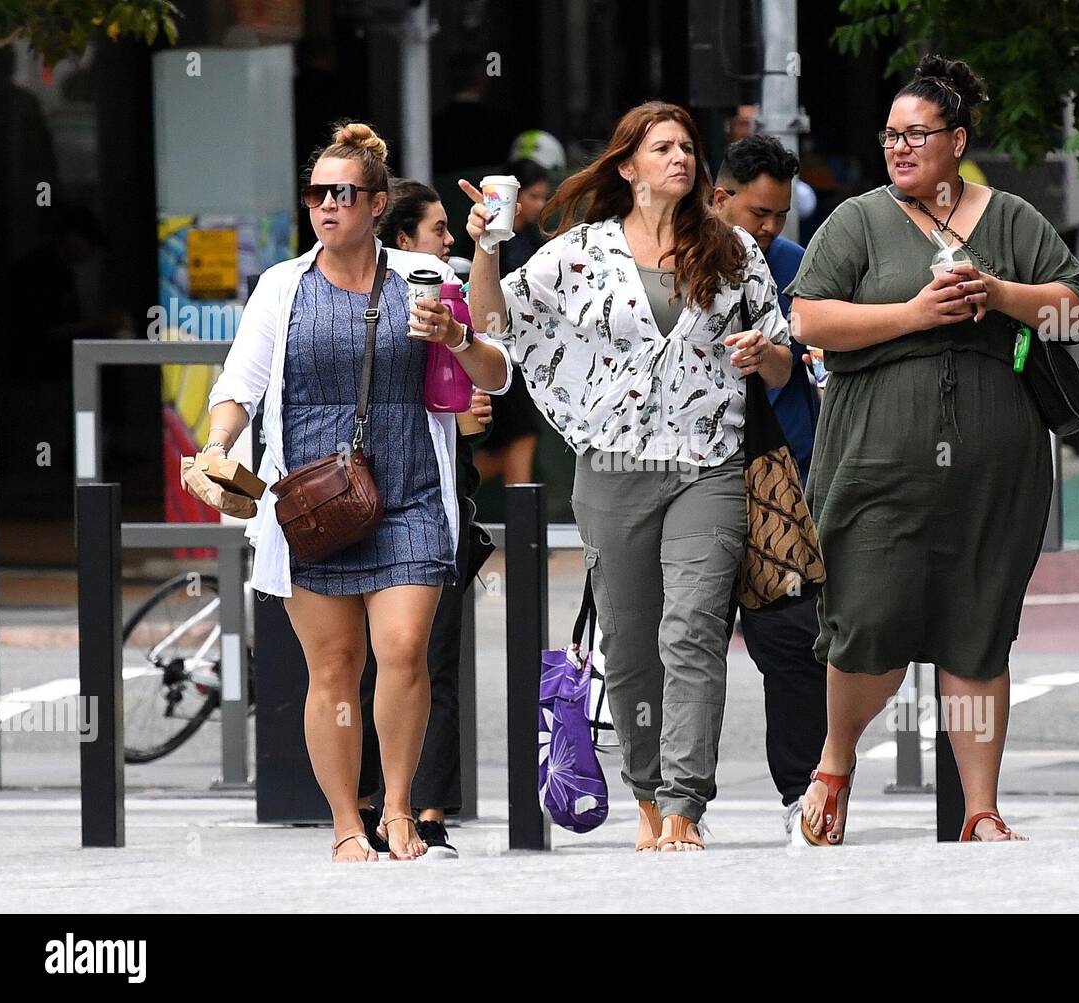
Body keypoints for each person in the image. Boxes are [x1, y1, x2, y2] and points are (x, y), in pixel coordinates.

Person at [462, 100, 794, 851]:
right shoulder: (578, 251)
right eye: (662, 147)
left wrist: (757, 354)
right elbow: (494, 325)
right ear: (627, 165)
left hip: (707, 464)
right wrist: (486, 246)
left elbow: (782, 359)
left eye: (687, 147)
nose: (679, 157)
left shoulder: (735, 249)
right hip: (611, 468)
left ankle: (684, 802)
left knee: (695, 631)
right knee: (632, 643)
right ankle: (648, 794)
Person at [787, 55, 1079, 845]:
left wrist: (1000, 295)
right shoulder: (858, 219)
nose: (899, 147)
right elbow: (810, 320)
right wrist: (914, 315)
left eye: (916, 133)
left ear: (957, 139)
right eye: (890, 134)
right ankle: (836, 761)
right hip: (874, 457)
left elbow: (1074, 313)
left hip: (996, 463)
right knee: (868, 617)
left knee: (978, 624)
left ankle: (980, 809)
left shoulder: (1014, 218)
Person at [197, 122, 511, 862]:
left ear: (377, 205)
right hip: (313, 502)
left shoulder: (427, 278)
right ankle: (347, 820)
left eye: (345, 193)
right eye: (317, 193)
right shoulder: (283, 286)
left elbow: (496, 374)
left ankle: (399, 808)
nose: (328, 205)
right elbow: (239, 384)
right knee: (334, 667)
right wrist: (216, 445)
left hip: (406, 492)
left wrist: (458, 339)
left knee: (402, 648)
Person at [339, 178, 496, 859]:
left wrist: (489, 245)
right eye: (437, 229)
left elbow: (490, 340)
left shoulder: (442, 291)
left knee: (428, 655)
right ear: (401, 239)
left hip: (433, 496)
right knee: (365, 662)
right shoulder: (357, 300)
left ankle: (422, 808)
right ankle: (366, 807)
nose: (449, 238)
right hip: (365, 493)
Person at [712, 134, 828, 843]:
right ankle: (675, 800)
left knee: (789, 641)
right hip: (686, 474)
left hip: (776, 483)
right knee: (686, 645)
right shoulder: (667, 262)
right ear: (719, 197)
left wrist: (773, 356)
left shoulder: (792, 267)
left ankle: (800, 794)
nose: (770, 229)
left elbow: (807, 371)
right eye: (758, 212)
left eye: (780, 214)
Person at [475, 159, 553, 486]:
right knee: (520, 436)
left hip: (527, 352)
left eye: (543, 197)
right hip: (497, 351)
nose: (539, 204)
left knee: (514, 442)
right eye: (534, 196)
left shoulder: (535, 238)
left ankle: (450, 484)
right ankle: (524, 532)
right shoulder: (489, 239)